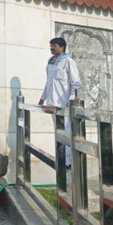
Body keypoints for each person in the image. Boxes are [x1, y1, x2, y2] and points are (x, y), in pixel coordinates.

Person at [39, 37, 81, 169]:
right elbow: (49, 82)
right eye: (51, 45)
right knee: (58, 132)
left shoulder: (68, 61)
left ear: (62, 47)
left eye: (54, 46)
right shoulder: (51, 62)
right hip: (52, 103)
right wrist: (42, 98)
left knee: (66, 133)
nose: (52, 48)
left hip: (64, 104)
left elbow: (76, 83)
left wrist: (72, 100)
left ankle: (68, 162)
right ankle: (61, 158)